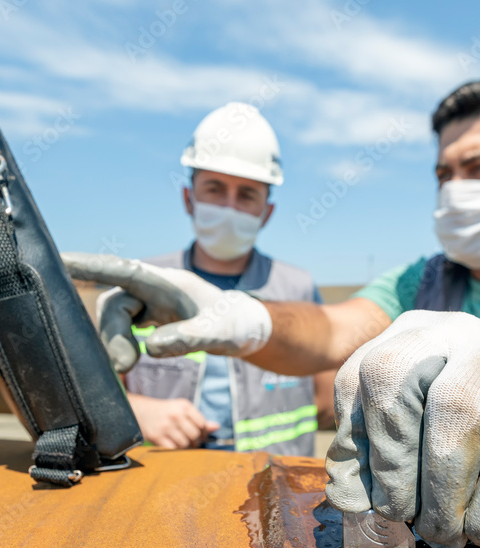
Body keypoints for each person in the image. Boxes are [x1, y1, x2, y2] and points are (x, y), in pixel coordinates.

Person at [64, 76, 480, 548]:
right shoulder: (419, 282)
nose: (457, 188)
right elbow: (332, 330)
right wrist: (244, 317)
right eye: (445, 173)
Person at [110, 102, 333, 455]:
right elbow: (90, 388)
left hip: (274, 482)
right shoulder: (141, 282)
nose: (230, 207)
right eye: (214, 188)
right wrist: (133, 409)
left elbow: (328, 401)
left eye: (247, 194)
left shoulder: (298, 288)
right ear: (188, 198)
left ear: (267, 212)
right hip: (165, 478)